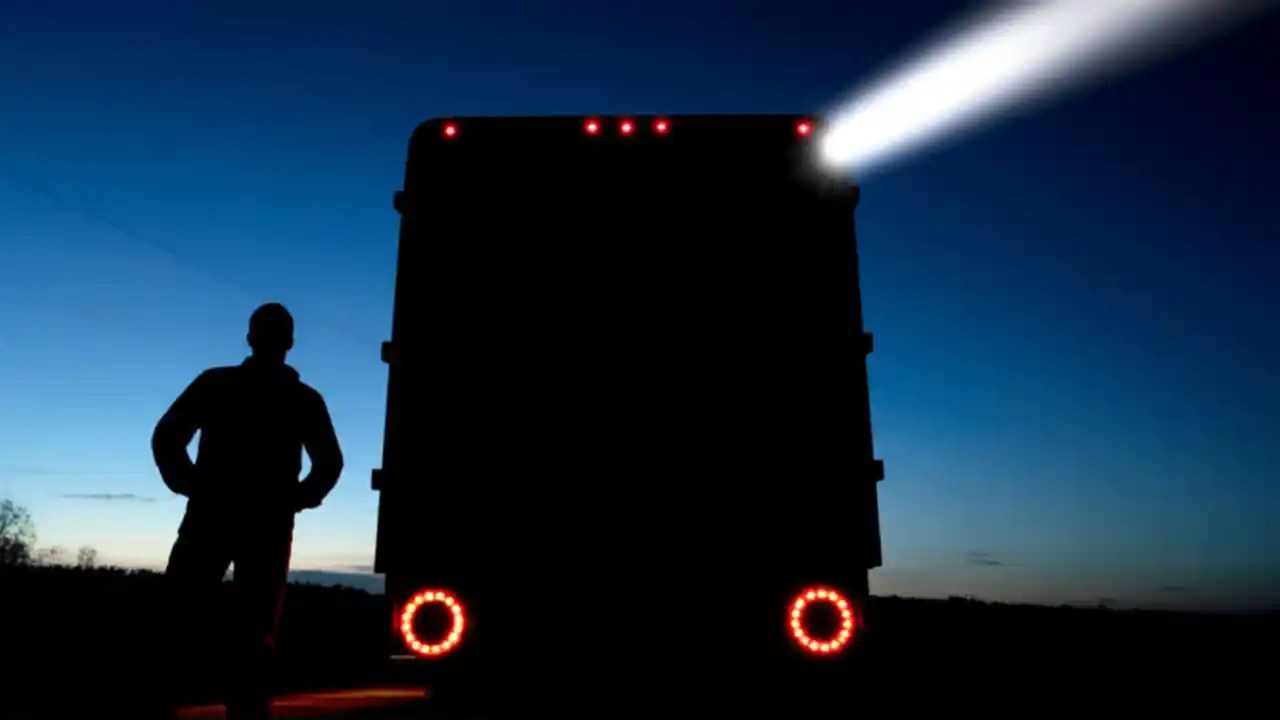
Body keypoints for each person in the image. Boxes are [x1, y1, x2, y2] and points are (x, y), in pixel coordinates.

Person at [149, 302, 343, 720]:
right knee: (240, 627)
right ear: (289, 343)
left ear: (251, 338)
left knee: (189, 616)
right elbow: (328, 464)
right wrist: (297, 497)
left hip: (224, 519)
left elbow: (167, 437)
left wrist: (191, 484)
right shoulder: (298, 399)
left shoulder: (220, 385)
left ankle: (170, 696)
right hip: (250, 523)